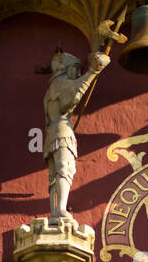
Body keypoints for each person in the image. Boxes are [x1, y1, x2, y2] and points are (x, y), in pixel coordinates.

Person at [44, 47, 110, 221]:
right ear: (66, 69)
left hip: (53, 130)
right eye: (75, 69)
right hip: (62, 130)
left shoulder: (53, 87)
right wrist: (93, 72)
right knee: (65, 168)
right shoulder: (60, 84)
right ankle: (60, 209)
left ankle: (56, 210)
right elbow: (72, 98)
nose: (77, 73)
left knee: (56, 172)